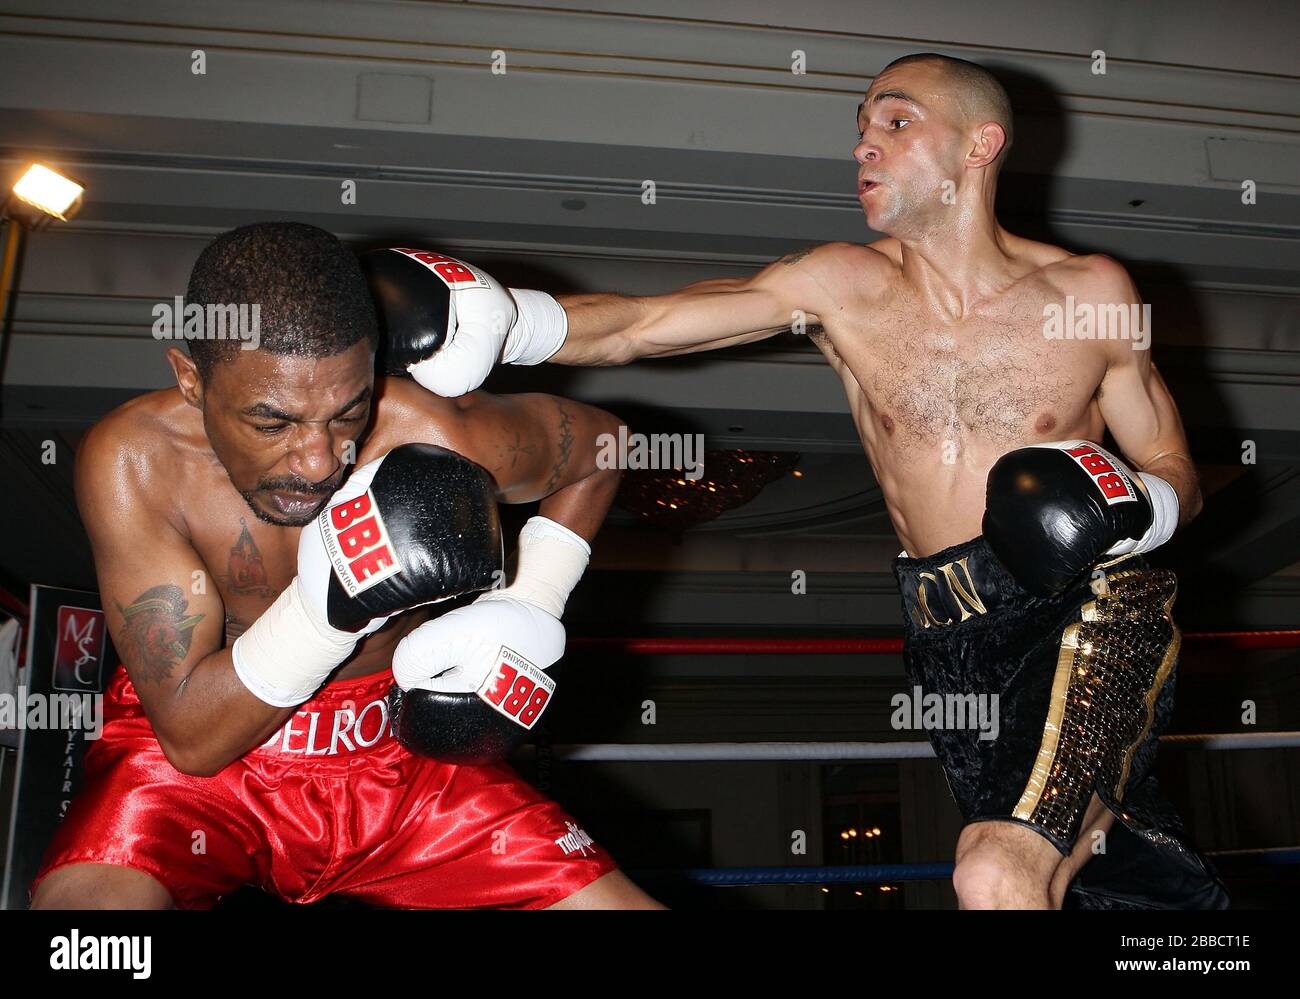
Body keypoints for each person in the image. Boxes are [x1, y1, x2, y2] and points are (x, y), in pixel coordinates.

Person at [381, 53, 1227, 909]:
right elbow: (649, 324)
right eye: (859, 131)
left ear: (982, 144)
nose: (865, 146)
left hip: (1087, 606)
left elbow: (1178, 473)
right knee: (1109, 871)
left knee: (995, 868)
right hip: (948, 638)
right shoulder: (843, 285)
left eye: (895, 124)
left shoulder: (1092, 292)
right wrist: (513, 321)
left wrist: (1134, 506)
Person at [30, 221, 660, 910]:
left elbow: (605, 446)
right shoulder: (136, 461)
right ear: (189, 379)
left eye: (346, 413)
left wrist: (531, 601)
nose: (318, 460)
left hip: (400, 750)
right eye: (272, 422)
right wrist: (327, 606)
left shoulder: (430, 432)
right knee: (84, 936)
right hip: (204, 764)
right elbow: (192, 740)